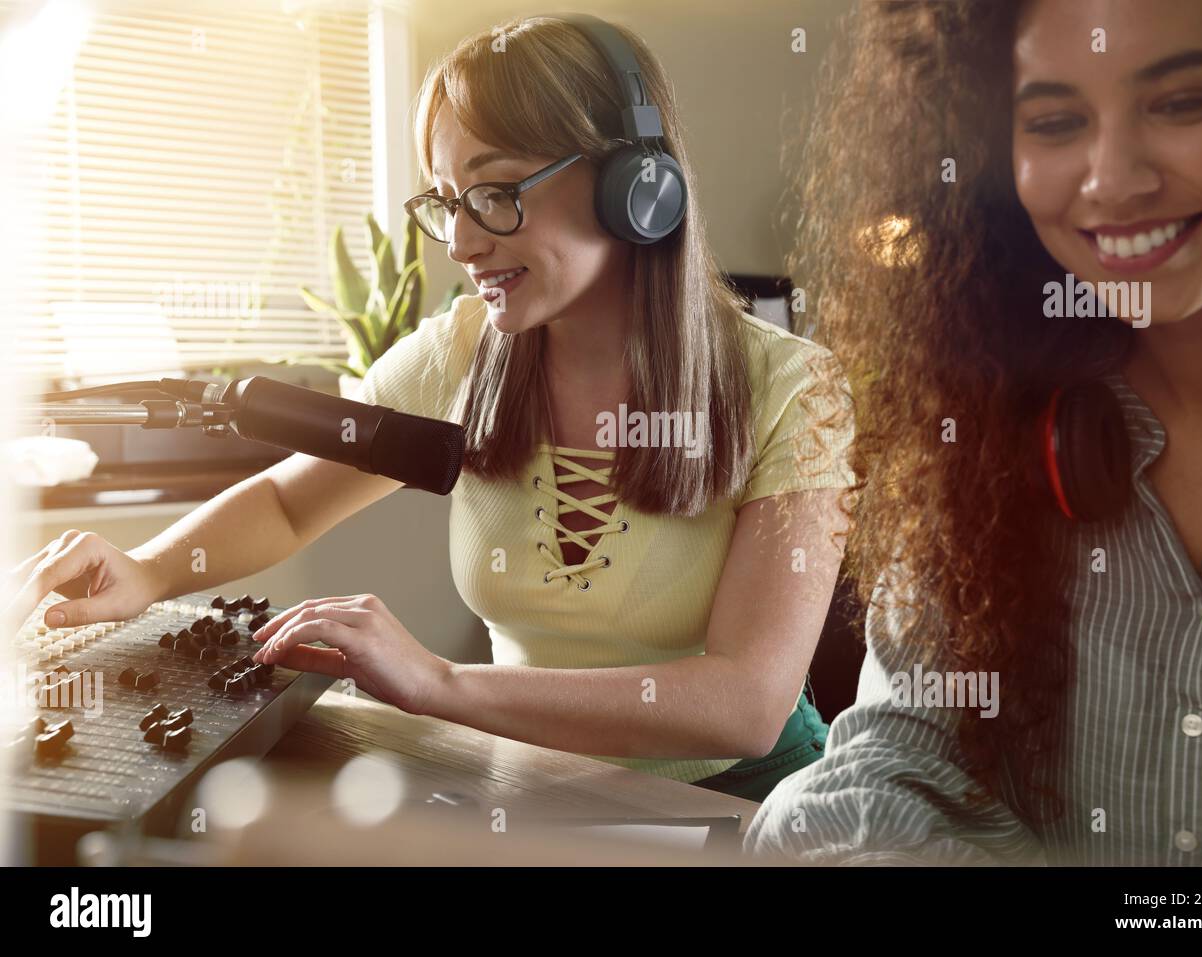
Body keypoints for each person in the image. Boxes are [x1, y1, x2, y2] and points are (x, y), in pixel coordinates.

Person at [4, 15, 854, 799]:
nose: (460, 241)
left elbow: (742, 701)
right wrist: (149, 570)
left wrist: (437, 682)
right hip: (534, 785)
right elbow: (285, 500)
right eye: (445, 201)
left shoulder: (795, 390)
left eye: (494, 193)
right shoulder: (461, 351)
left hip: (744, 801)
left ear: (636, 188)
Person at [745, 0, 1202, 863]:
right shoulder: (978, 427)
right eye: (1053, 121)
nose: (1112, 179)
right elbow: (891, 768)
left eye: (1184, 102)